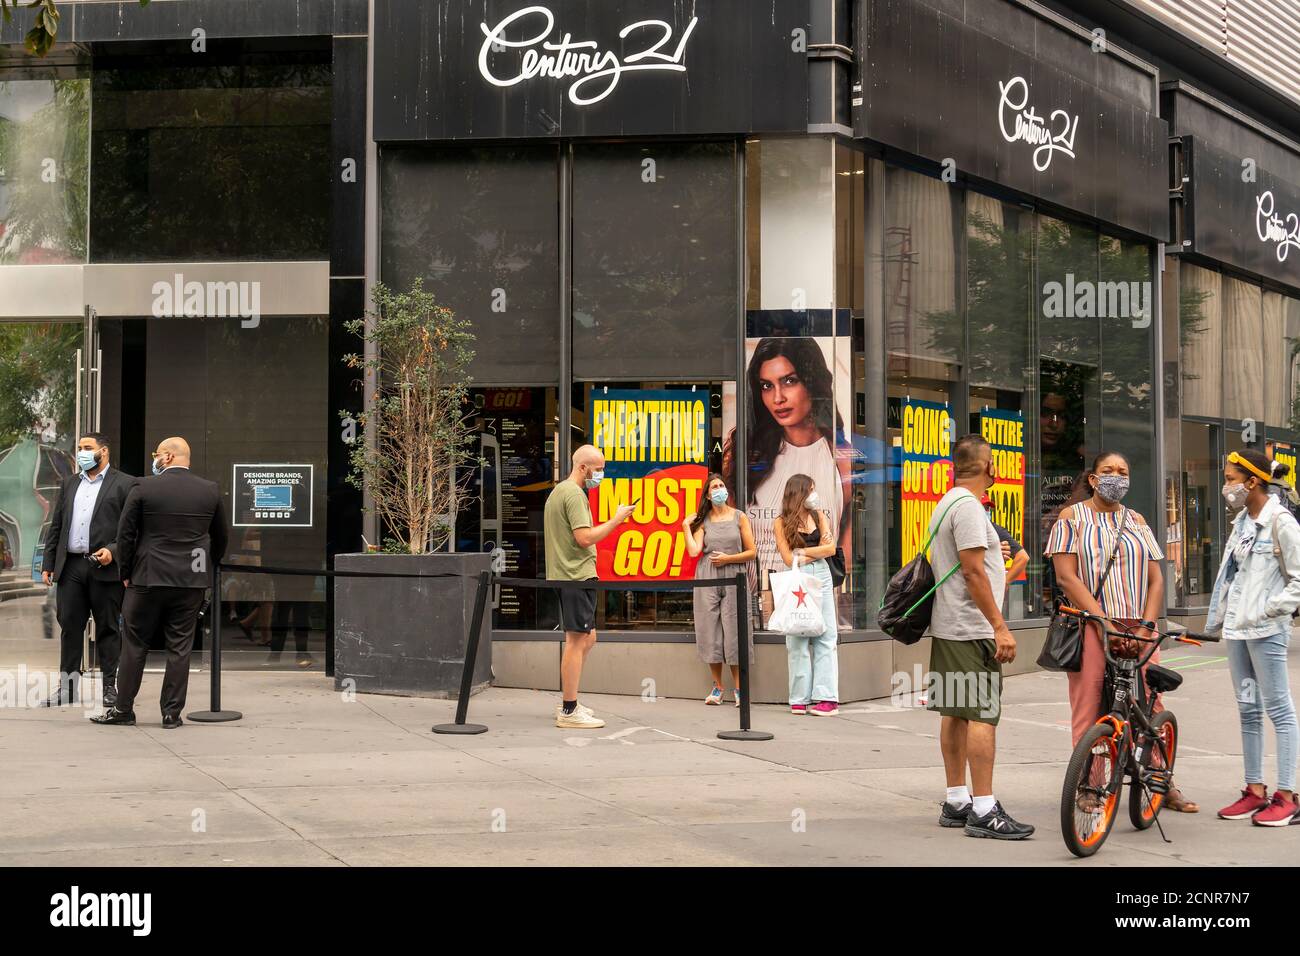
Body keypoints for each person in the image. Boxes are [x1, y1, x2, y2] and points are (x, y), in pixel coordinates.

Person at [1045, 450, 1197, 813]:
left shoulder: (1136, 520)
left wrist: (1147, 624)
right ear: (1094, 479)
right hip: (1090, 625)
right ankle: (1090, 785)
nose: (1116, 477)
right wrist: (1102, 623)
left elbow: (1155, 578)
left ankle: (1160, 780)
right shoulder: (1072, 517)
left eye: (1123, 471)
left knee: (1150, 702)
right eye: (1108, 471)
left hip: (1136, 626)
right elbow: (1066, 577)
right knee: (1089, 709)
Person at [927, 434, 1033, 839]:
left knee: (954, 712)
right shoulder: (969, 508)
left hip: (951, 625)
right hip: (972, 629)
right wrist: (1000, 626)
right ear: (989, 468)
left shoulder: (947, 502)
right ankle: (984, 809)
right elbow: (972, 572)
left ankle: (957, 800)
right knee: (981, 715)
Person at [92, 437, 227, 729]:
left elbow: (125, 534)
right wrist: (204, 569)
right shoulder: (210, 490)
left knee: (134, 644)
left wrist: (125, 572)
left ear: (166, 457)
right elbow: (220, 539)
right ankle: (171, 714)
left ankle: (123, 709)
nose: (154, 458)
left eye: (157, 454)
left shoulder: (143, 486)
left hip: (146, 578)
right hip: (190, 580)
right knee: (180, 647)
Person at [722, 338, 853, 616]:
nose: (777, 397)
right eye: (767, 386)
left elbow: (843, 549)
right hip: (756, 602)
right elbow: (731, 530)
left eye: (789, 381)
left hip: (816, 598)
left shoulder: (840, 457)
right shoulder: (746, 454)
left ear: (811, 382)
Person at [1206, 450, 1300, 826]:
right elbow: (1232, 576)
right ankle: (1255, 789)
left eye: (1231, 478)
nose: (1226, 485)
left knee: (1279, 710)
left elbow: (1298, 579)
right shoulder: (1242, 521)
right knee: (1248, 708)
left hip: (1266, 631)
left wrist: (1271, 608)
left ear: (1253, 481)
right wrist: (1221, 619)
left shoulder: (1282, 523)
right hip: (1238, 631)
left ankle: (1289, 795)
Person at [39, 433, 137, 707]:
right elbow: (56, 525)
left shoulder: (125, 484)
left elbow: (132, 530)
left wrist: (114, 552)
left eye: (87, 448)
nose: (81, 452)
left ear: (103, 451)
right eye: (79, 447)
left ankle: (110, 687)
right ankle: (67, 688)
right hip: (71, 566)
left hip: (104, 567)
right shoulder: (70, 483)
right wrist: (49, 563)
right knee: (70, 627)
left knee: (107, 628)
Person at [544, 444, 633, 729]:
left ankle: (570, 700)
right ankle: (569, 709)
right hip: (575, 575)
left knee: (588, 637)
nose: (601, 474)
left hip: (568, 574)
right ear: (582, 467)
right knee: (576, 640)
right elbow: (584, 538)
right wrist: (617, 519)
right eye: (598, 469)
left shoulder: (560, 491)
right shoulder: (573, 494)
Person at [683, 472, 756, 706]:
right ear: (707, 494)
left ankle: (739, 688)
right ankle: (717, 688)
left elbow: (752, 551)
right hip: (708, 576)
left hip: (734, 575)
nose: (719, 489)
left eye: (721, 485)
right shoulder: (703, 521)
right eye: (714, 487)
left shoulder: (739, 517)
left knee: (735, 630)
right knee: (709, 630)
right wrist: (686, 525)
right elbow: (694, 551)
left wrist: (729, 559)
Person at [772, 473, 839, 716]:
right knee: (797, 636)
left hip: (821, 575)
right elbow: (788, 558)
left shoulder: (819, 516)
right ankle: (799, 697)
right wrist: (812, 552)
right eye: (810, 490)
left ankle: (826, 697)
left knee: (826, 635)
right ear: (799, 493)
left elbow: (830, 549)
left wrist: (802, 551)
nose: (814, 495)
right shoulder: (780, 522)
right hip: (798, 577)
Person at [981, 492, 1029, 600]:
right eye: (981, 507)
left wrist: (1005, 582)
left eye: (987, 508)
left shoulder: (996, 530)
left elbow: (1023, 557)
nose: (985, 511)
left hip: (990, 592)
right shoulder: (962, 529)